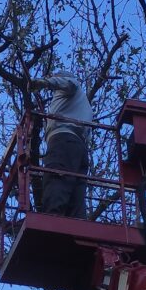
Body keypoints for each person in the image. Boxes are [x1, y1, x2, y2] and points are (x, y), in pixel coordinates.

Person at [30, 72, 93, 218]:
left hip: (63, 142)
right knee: (77, 189)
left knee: (56, 178)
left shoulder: (71, 86)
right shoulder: (84, 107)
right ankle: (78, 223)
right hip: (79, 148)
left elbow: (68, 83)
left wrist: (43, 82)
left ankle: (51, 219)